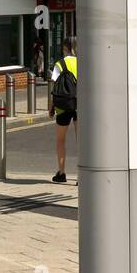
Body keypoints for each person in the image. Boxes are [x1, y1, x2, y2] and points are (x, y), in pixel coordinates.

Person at [48, 36, 78, 184]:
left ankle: (61, 173)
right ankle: (82, 175)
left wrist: (51, 105)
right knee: (82, 141)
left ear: (64, 48)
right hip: (80, 104)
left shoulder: (60, 63)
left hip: (63, 104)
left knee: (60, 140)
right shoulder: (83, 61)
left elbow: (54, 84)